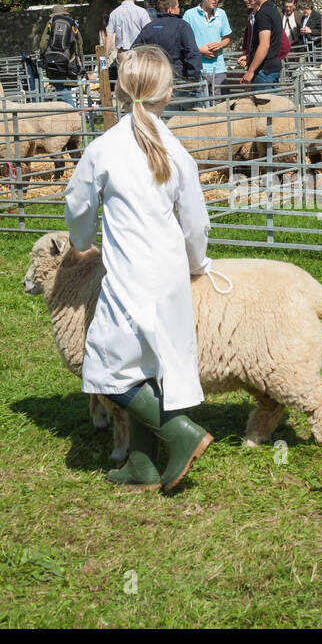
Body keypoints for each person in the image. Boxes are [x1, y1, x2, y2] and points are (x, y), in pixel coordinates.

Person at [64, 45, 214, 491]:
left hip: (128, 277)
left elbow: (77, 204)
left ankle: (181, 435)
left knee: (106, 369)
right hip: (167, 276)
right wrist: (197, 263)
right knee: (148, 370)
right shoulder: (176, 151)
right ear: (168, 94)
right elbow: (196, 222)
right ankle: (143, 468)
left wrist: (81, 240)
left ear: (123, 90)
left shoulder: (105, 148)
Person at [133, 0, 201, 98]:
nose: (179, 10)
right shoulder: (182, 26)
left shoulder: (148, 27)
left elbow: (134, 52)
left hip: (154, 81)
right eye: (178, 7)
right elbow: (192, 54)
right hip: (177, 81)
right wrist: (192, 80)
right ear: (170, 9)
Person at [183, 0, 232, 101]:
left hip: (219, 70)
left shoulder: (222, 14)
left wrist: (219, 45)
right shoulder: (189, 15)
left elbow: (226, 39)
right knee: (201, 109)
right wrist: (199, 50)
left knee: (221, 108)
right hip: (198, 69)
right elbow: (183, 42)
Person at [236, 0, 283, 86]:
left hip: (264, 72)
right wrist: (250, 56)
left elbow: (264, 45)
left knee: (261, 103)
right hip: (270, 69)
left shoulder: (263, 13)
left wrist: (250, 71)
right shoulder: (271, 8)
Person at [104, 0, 150, 82]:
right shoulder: (142, 12)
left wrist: (104, 57)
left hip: (123, 54)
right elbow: (148, 33)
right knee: (139, 82)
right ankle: (137, 98)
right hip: (139, 52)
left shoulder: (114, 13)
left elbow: (109, 36)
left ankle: (126, 98)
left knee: (125, 83)